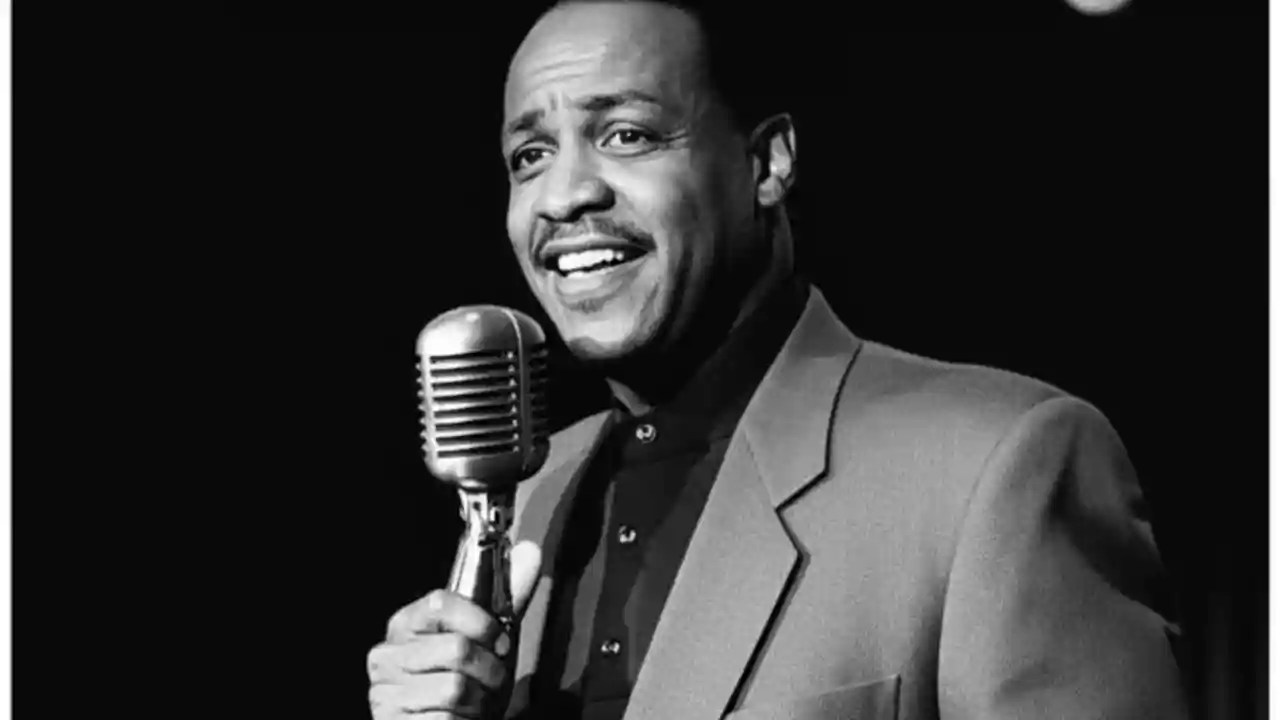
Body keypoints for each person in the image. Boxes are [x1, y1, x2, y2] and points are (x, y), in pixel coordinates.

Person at [366, 1, 1189, 718]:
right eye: (529, 157)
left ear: (767, 164)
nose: (564, 194)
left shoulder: (998, 463)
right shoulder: (534, 499)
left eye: (626, 134)